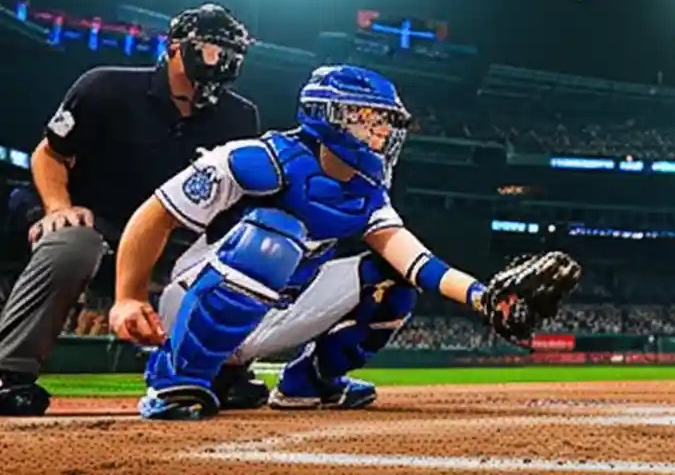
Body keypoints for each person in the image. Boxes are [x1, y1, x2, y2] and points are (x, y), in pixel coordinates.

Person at [109, 64, 580, 420]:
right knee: (277, 236)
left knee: (393, 280)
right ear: (330, 116)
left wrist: (483, 297)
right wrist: (128, 298)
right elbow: (156, 214)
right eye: (370, 118)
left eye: (385, 122)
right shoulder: (256, 160)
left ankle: (309, 383)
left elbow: (413, 258)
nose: (382, 131)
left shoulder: (365, 191)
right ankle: (177, 379)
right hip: (194, 296)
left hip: (278, 306)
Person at [0, 3, 259, 416]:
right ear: (177, 47)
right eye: (215, 48)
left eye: (234, 53)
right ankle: (9, 373)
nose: (225, 61)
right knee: (72, 243)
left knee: (244, 254)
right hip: (95, 222)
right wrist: (58, 206)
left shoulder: (239, 117)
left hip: (169, 238)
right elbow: (49, 154)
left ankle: (217, 372)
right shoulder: (105, 87)